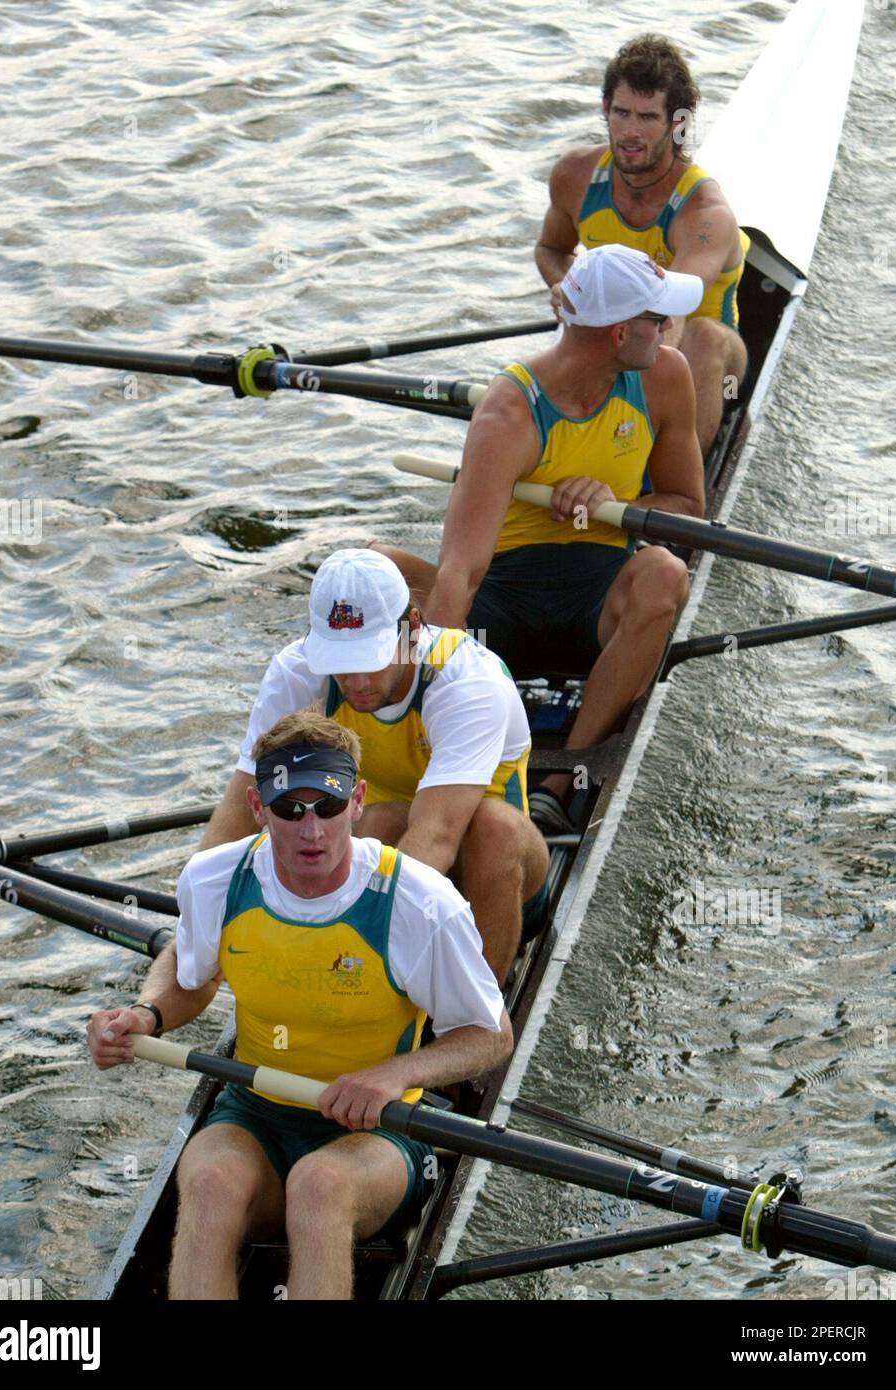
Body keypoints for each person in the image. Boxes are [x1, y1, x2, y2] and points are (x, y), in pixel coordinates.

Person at [87, 713, 513, 1301]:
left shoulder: (418, 902)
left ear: (358, 801)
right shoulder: (215, 878)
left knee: (318, 1187)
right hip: (254, 1111)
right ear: (257, 807)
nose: (312, 830)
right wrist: (145, 1015)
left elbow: (490, 1035)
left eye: (328, 806)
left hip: (380, 1131)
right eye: (290, 809)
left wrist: (394, 1074)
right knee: (208, 1183)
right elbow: (189, 975)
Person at [374, 244, 705, 834]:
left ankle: (565, 780)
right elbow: (461, 573)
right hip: (501, 608)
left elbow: (688, 507)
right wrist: (434, 710)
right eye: (657, 319)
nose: (667, 329)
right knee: (373, 571)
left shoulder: (665, 377)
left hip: (599, 607)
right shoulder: (508, 412)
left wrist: (614, 507)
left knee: (665, 574)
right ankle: (398, 747)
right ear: (620, 332)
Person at [202, 547, 549, 983]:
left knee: (493, 826)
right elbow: (239, 809)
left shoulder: (467, 682)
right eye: (341, 663)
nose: (357, 681)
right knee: (374, 823)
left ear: (413, 628)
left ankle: (480, 1003)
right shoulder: (297, 671)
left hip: (491, 878)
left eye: (371, 657)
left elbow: (437, 837)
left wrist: (338, 941)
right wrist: (197, 910)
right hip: (388, 858)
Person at [534, 33, 749, 452]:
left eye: (648, 117)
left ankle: (680, 472)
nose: (630, 132)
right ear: (605, 108)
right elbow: (551, 250)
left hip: (703, 355)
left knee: (704, 337)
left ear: (677, 123)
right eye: (621, 113)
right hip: (617, 336)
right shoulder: (574, 175)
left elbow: (673, 309)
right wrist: (565, 285)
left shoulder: (704, 212)